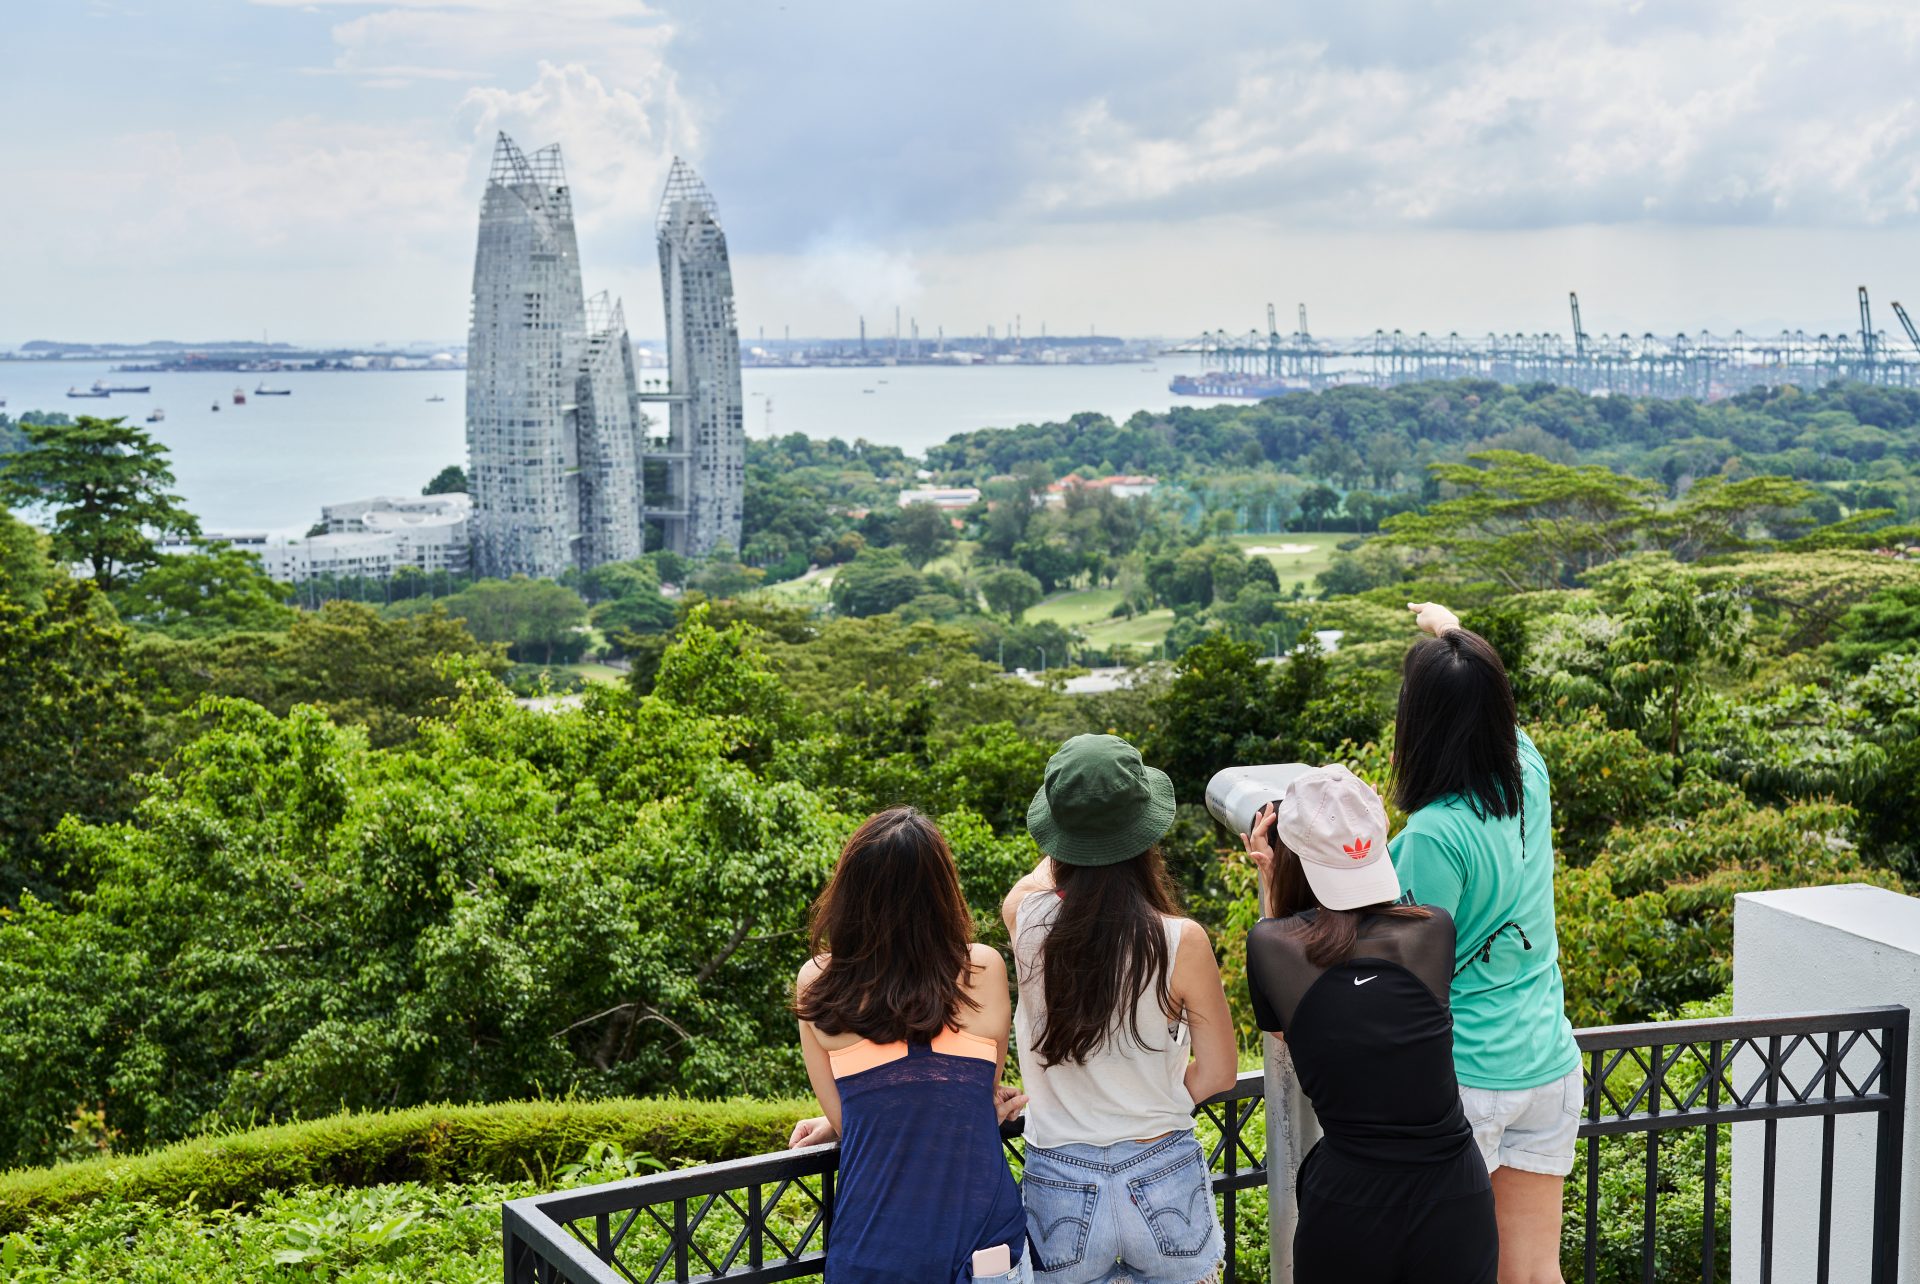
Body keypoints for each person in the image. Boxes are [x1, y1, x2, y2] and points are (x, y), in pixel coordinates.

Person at [1240, 766, 1497, 1284]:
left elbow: (1294, 1025)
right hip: (1454, 1193)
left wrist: (1274, 884)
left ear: (1291, 858)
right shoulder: (1433, 930)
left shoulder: (1269, 945)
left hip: (1349, 1200)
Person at [1390, 602, 1582, 1284]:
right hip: (1547, 1063)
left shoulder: (1433, 835)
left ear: (1418, 724)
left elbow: (1401, 975)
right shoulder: (1528, 772)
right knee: (1532, 1274)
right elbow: (1485, 698)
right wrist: (1450, 630)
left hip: (1467, 1078)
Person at [1001, 734, 1239, 1284]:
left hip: (1059, 1174)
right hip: (1162, 1168)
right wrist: (1160, 1098)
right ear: (1144, 836)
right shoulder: (1182, 940)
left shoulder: (1026, 921)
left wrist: (1078, 829)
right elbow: (1220, 1073)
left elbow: (1037, 880)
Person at [789, 808, 1031, 1284]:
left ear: (850, 892)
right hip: (984, 1245)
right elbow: (977, 1092)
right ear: (942, 890)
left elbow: (848, 1119)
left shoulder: (817, 982)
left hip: (874, 1247)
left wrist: (856, 1113)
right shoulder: (983, 969)